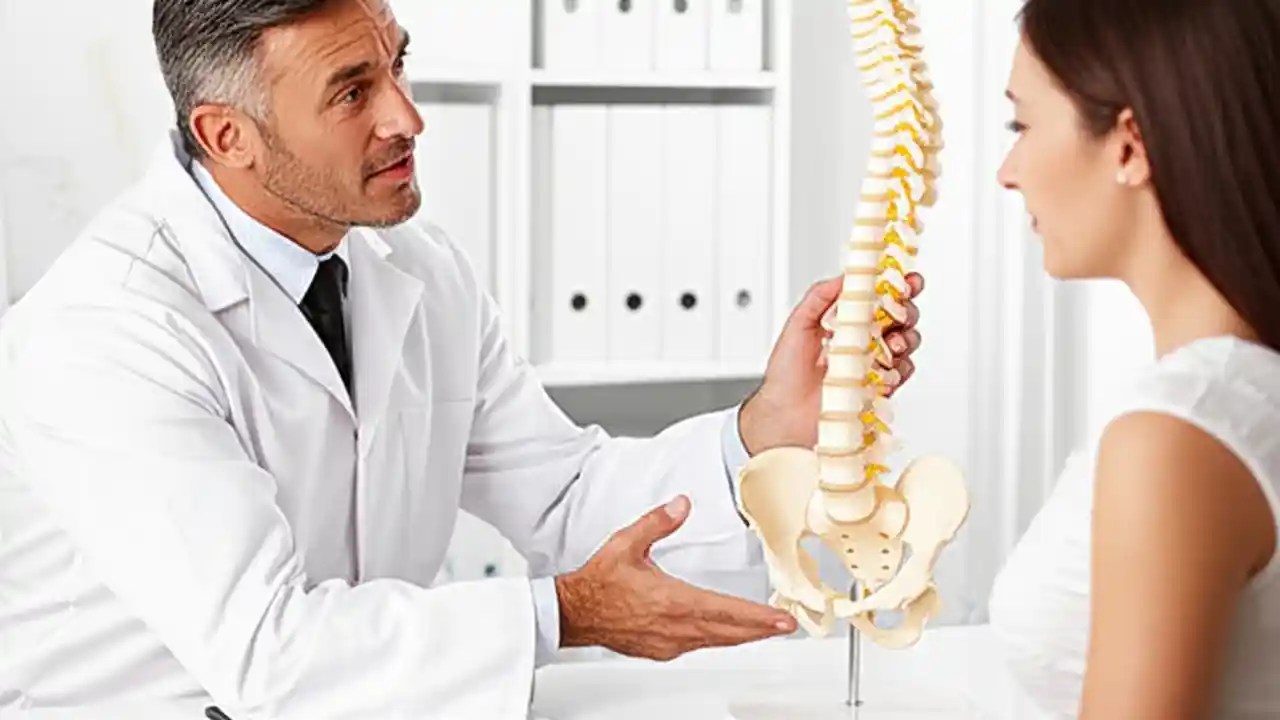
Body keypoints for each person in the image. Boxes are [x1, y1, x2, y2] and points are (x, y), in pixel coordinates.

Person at [0, 0, 926, 717]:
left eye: (397, 64)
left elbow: (563, 496)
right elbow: (267, 652)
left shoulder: (418, 270)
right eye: (352, 91)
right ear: (224, 135)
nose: (407, 117)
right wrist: (564, 614)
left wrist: (766, 427)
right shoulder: (108, 329)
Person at [987, 0, 1280, 718]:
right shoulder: (1239, 396)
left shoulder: (1179, 433)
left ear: (1129, 144)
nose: (1007, 171)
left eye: (1021, 126)